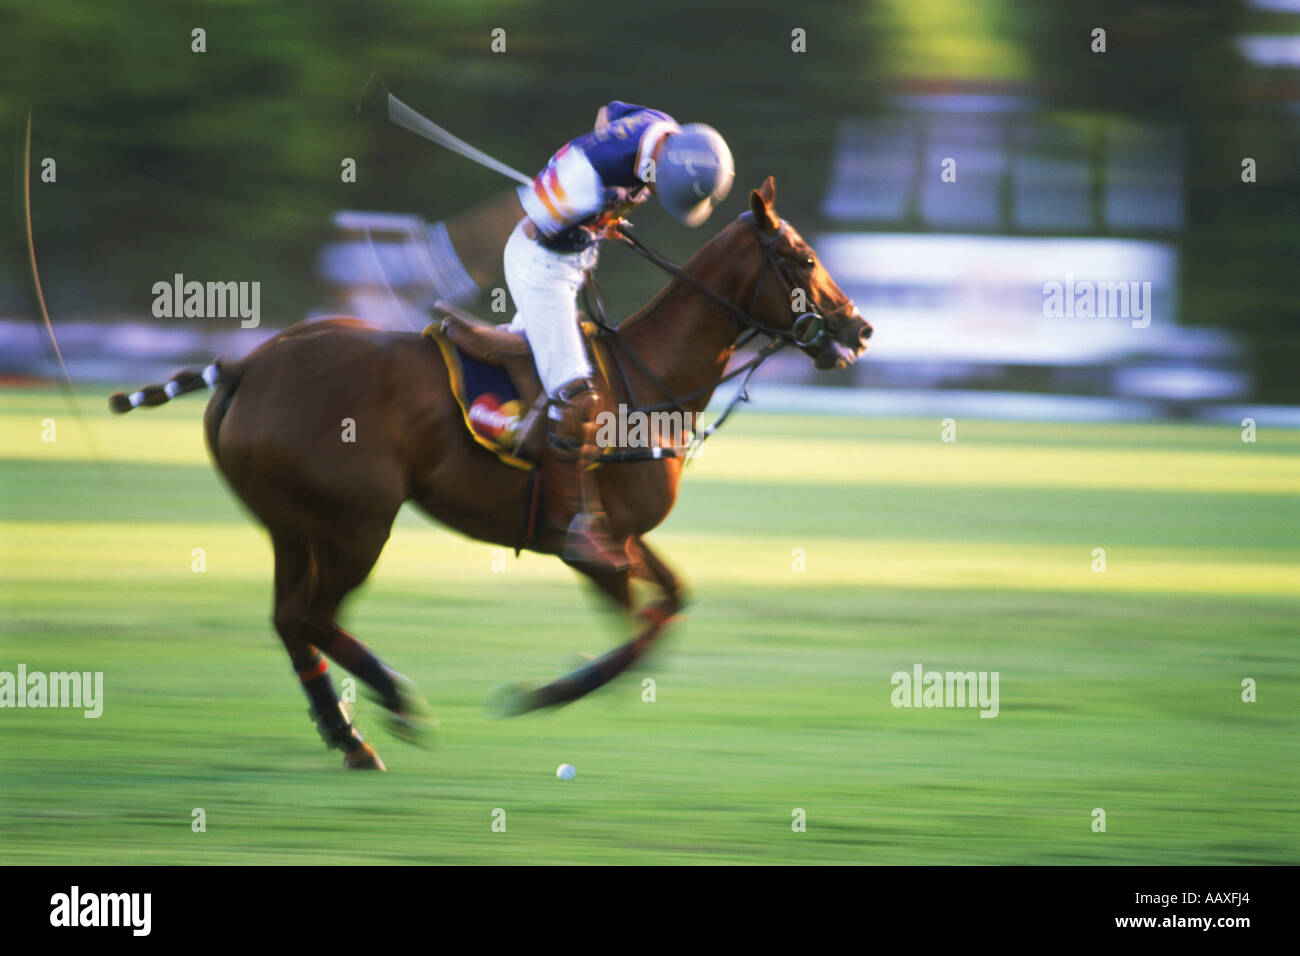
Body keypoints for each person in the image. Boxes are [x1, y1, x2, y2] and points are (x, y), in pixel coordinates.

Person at [505, 101, 734, 571]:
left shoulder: (660, 126)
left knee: (551, 367)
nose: (649, 192)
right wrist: (596, 212)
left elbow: (607, 114)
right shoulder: (584, 179)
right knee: (578, 397)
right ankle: (574, 526)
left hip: (566, 267)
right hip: (541, 268)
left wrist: (608, 209)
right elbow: (539, 226)